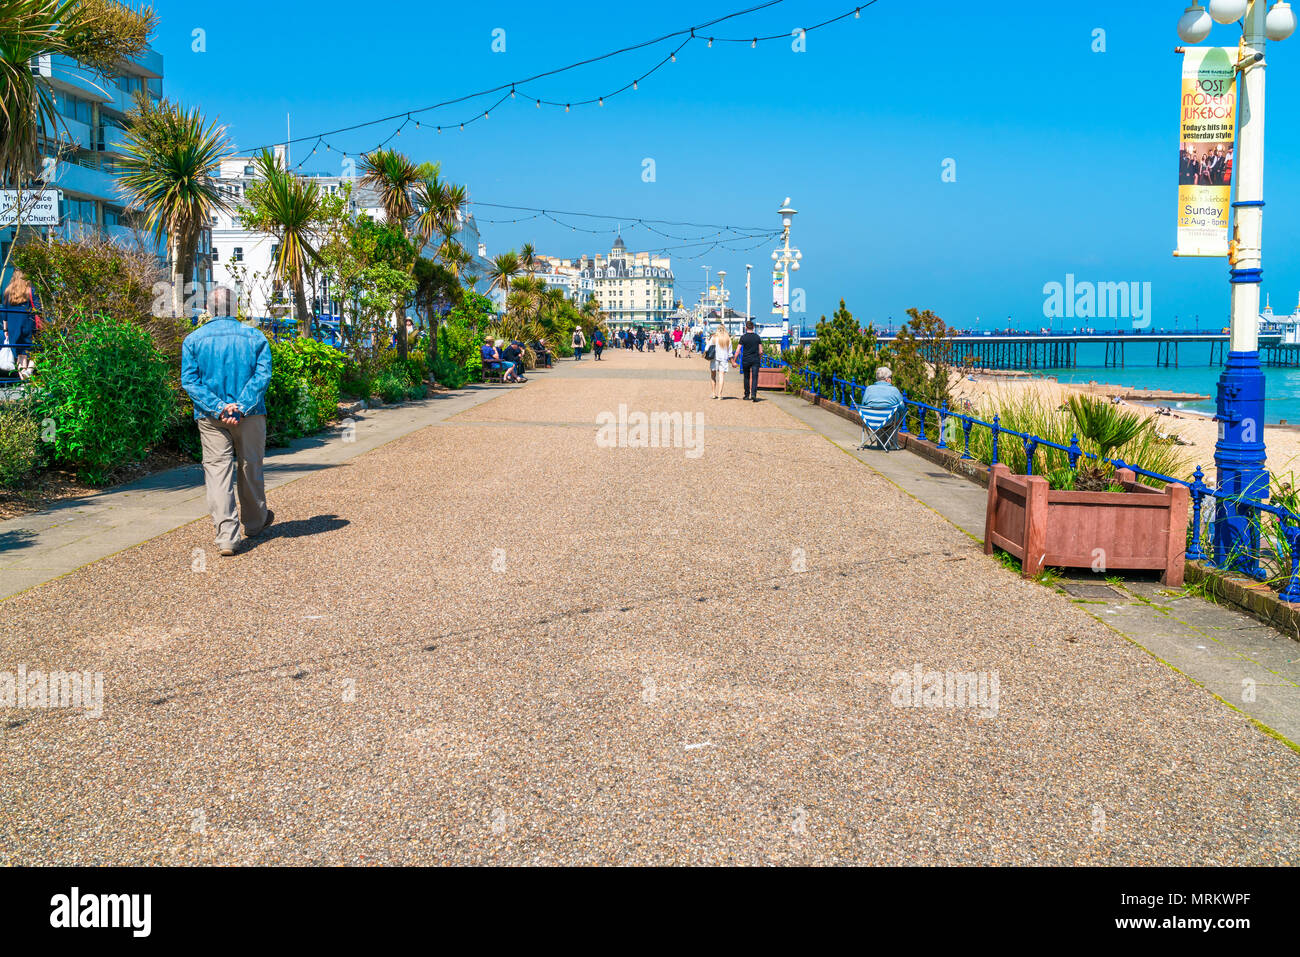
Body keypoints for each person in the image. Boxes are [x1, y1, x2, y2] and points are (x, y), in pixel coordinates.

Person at [181, 312, 274, 557]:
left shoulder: (193, 339)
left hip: (211, 417)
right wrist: (241, 406)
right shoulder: (255, 336)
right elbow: (262, 376)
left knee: (217, 472)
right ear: (234, 308)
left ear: (209, 309)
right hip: (251, 414)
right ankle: (254, 524)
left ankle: (227, 537)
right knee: (250, 466)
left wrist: (219, 407)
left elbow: (190, 381)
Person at [1, 269, 38, 381]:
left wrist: (6, 329)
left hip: (13, 328)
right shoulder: (30, 291)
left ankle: (23, 379)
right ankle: (29, 371)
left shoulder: (8, 291)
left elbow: (5, 313)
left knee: (21, 354)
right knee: (37, 350)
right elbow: (38, 308)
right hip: (28, 325)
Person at [735, 321, 764, 401]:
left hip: (746, 360)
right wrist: (759, 358)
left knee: (746, 377)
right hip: (755, 360)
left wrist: (734, 360)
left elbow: (737, 350)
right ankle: (754, 394)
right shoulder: (757, 337)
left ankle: (747, 395)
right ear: (753, 327)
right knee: (755, 378)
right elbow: (761, 351)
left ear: (746, 328)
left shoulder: (743, 337)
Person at [708, 323, 731, 400]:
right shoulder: (727, 338)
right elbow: (730, 352)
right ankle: (720, 394)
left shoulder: (714, 337)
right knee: (721, 376)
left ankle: (714, 393)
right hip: (724, 359)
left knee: (713, 376)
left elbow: (707, 348)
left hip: (715, 358)